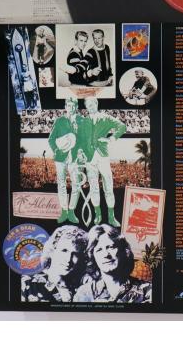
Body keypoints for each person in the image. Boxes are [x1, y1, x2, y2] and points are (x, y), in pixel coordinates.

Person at [79, 97, 127, 226]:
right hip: (89, 158)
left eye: (92, 104)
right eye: (88, 105)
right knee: (94, 187)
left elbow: (122, 126)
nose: (90, 107)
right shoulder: (84, 121)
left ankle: (111, 217)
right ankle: (98, 215)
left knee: (108, 187)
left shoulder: (106, 118)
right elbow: (81, 139)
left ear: (97, 104)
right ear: (86, 107)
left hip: (103, 156)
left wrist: (110, 139)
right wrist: (81, 152)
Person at [74, 225, 151, 303]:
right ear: (93, 257)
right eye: (99, 250)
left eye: (111, 247)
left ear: (123, 250)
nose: (106, 254)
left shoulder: (146, 290)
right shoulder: (85, 293)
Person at [21, 226, 87, 302]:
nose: (68, 259)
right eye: (64, 250)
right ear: (51, 251)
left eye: (75, 253)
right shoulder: (27, 282)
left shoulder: (82, 287)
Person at [48, 96, 85, 224]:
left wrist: (81, 151)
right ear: (65, 107)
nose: (71, 108)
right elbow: (51, 139)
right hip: (60, 157)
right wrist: (56, 150)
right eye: (69, 105)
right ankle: (64, 211)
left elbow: (85, 140)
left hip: (75, 158)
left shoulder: (81, 121)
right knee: (61, 183)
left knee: (77, 184)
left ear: (77, 107)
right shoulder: (59, 121)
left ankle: (72, 211)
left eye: (73, 106)